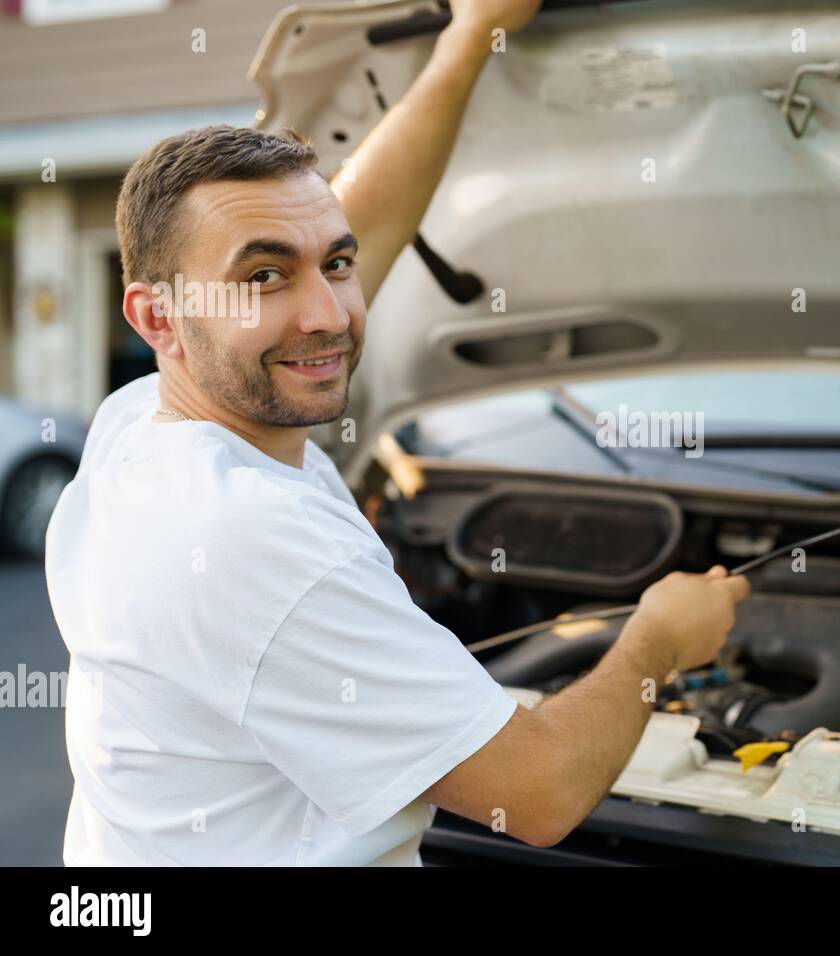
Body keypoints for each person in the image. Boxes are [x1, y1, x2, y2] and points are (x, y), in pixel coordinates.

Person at [45, 0, 750, 865]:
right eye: (264, 275)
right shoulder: (247, 536)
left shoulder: (137, 425)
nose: (327, 313)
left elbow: (363, 219)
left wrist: (466, 39)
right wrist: (658, 640)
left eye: (333, 265)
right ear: (157, 317)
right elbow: (540, 794)